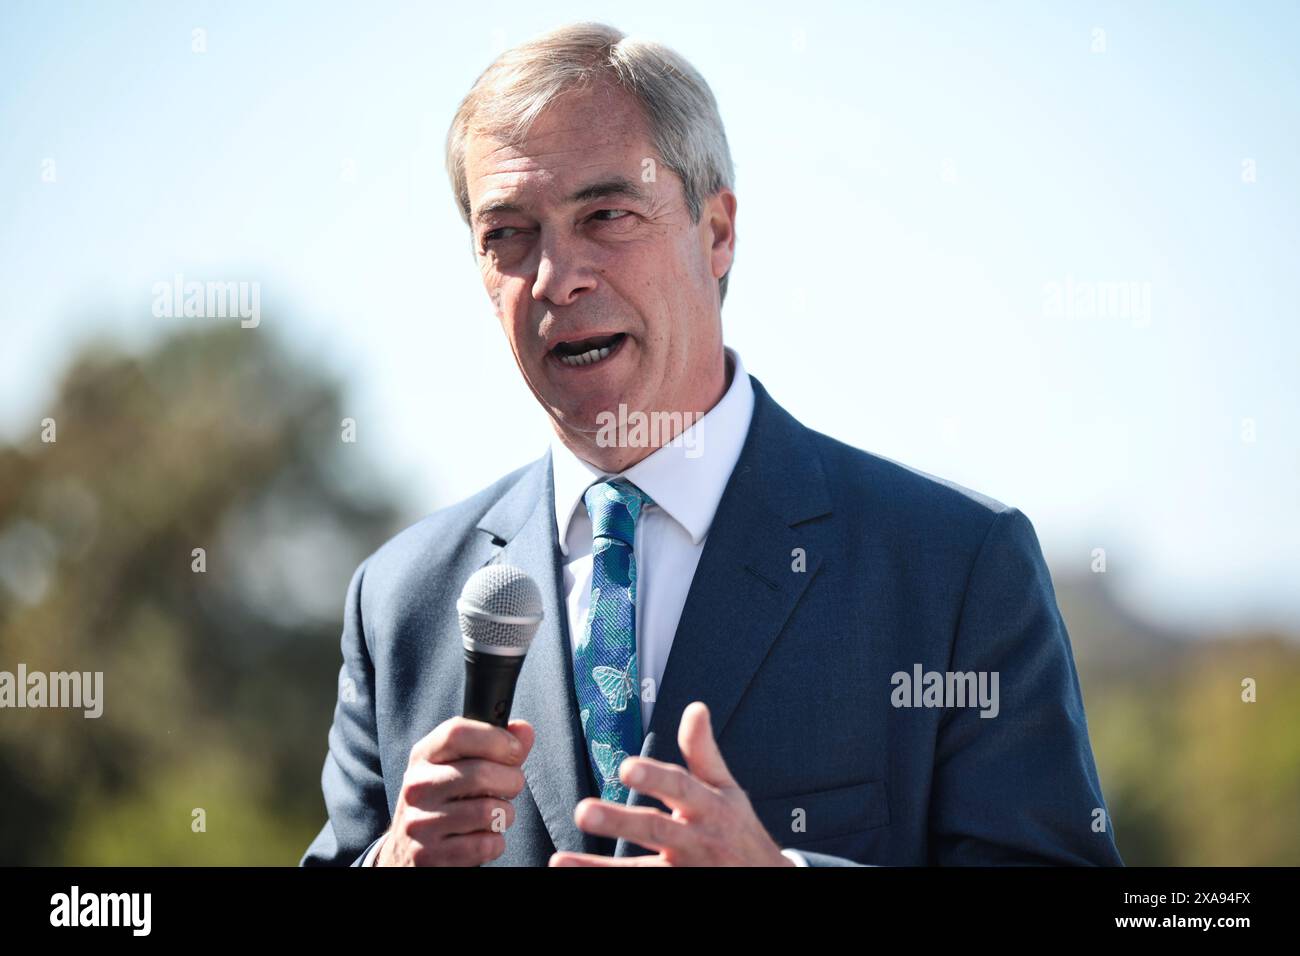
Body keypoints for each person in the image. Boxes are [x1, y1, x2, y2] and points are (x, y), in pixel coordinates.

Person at [301, 21, 1123, 867]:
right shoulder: (399, 601)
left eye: (607, 214)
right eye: (508, 233)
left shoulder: (953, 568)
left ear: (718, 229)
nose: (556, 276)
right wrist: (391, 861)